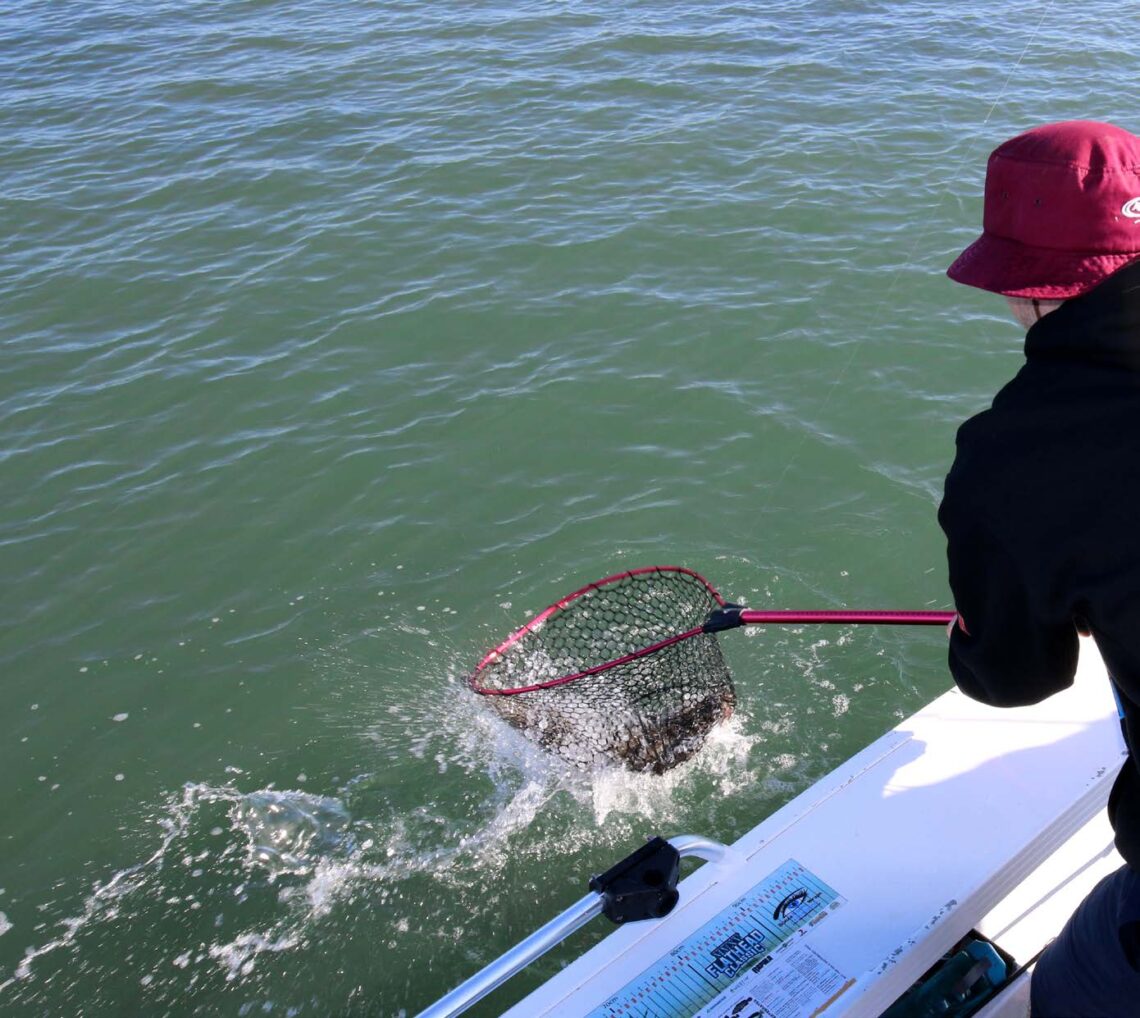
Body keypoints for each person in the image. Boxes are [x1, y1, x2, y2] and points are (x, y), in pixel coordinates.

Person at [939, 119, 1140, 1016]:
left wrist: (972, 634)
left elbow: (1016, 678)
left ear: (1025, 287)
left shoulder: (1016, 458)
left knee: (1079, 985)